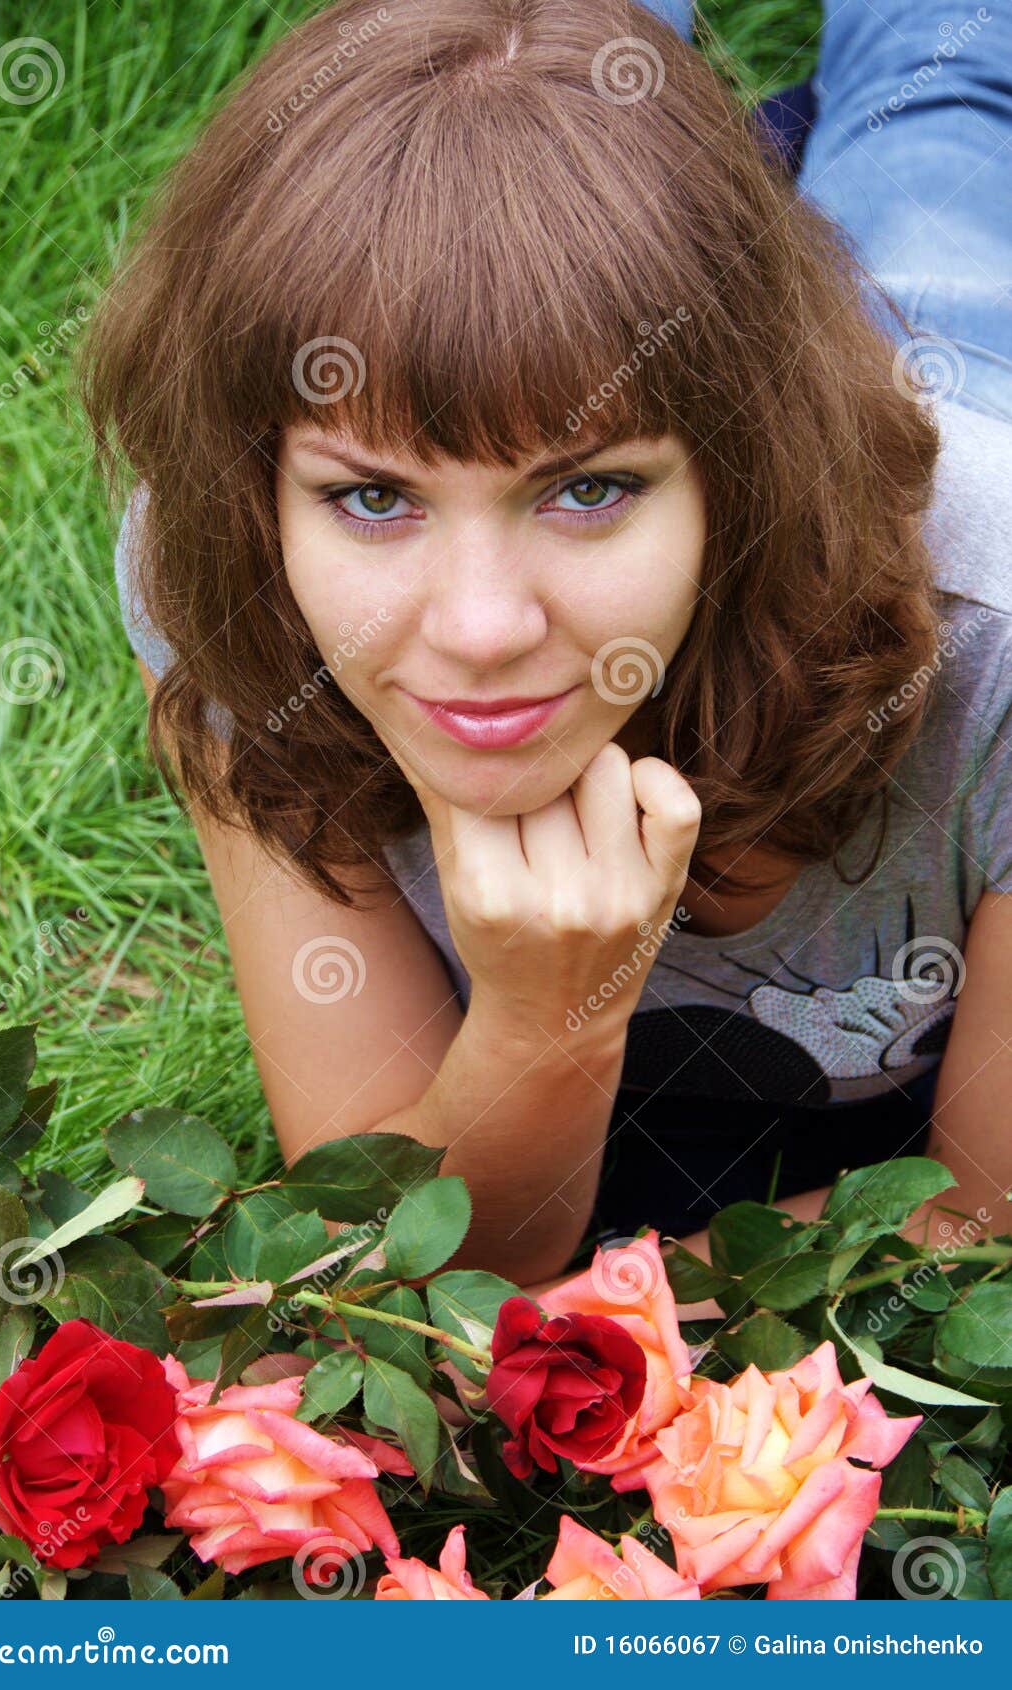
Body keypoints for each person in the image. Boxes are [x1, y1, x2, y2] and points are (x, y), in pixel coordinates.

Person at [83, 0, 1012, 1294]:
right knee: (525, 109)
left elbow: (988, 1217)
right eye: (372, 497)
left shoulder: (991, 631)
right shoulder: (234, 585)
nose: (478, 629)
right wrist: (544, 1019)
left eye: (589, 490)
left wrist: (574, 1340)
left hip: (962, 390)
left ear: (737, 470)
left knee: (942, 107)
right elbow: (385, 1257)